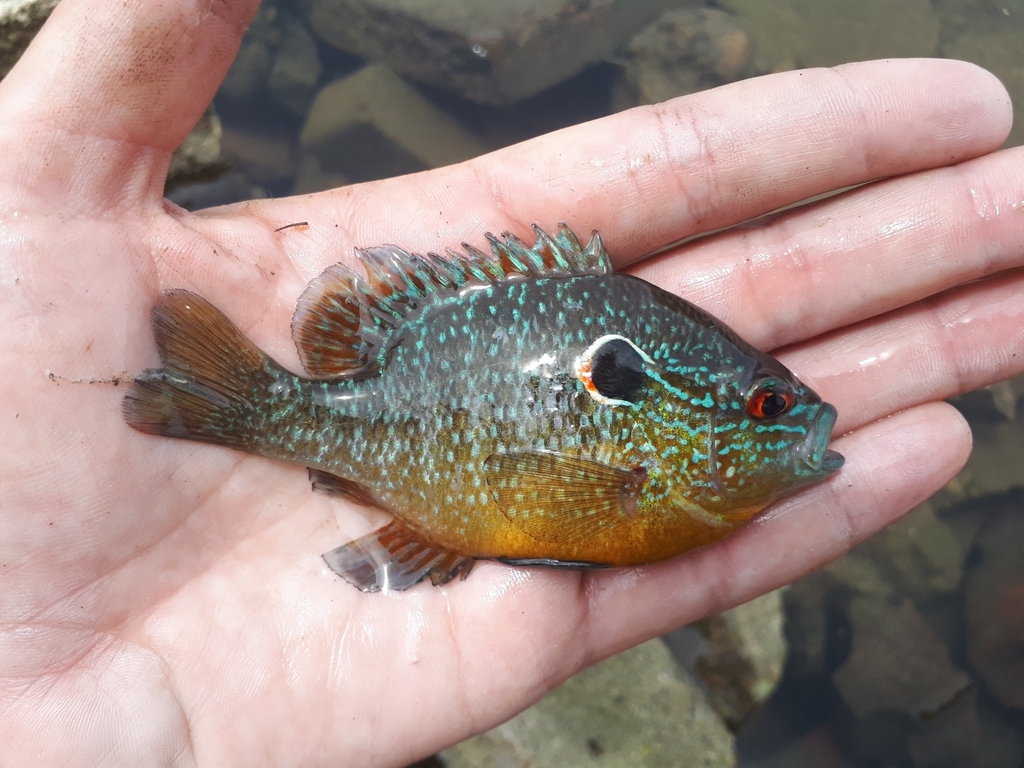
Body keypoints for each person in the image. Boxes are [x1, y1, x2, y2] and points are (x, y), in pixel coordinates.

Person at [0, 0, 1020, 764]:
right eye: (763, 407)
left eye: (773, 409)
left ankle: (232, 406)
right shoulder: (647, 491)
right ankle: (233, 405)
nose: (790, 425)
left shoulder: (663, 491)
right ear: (678, 422)